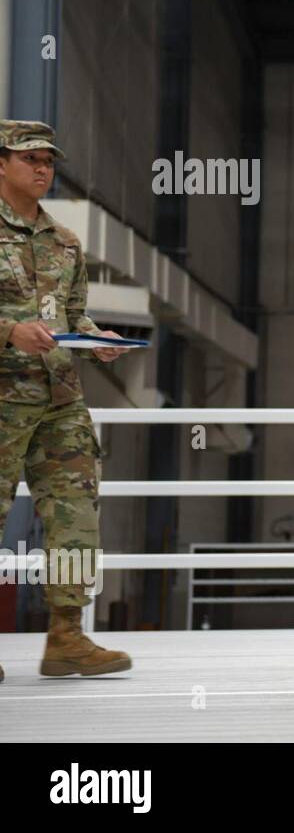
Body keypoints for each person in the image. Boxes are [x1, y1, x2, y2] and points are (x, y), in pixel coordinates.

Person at [0, 119, 132, 681]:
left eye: (48, 160)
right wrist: (9, 331)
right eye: (30, 158)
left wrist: (96, 338)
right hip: (4, 400)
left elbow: (71, 315)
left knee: (75, 519)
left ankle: (66, 637)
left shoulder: (64, 240)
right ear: (1, 163)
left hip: (60, 401)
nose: (42, 168)